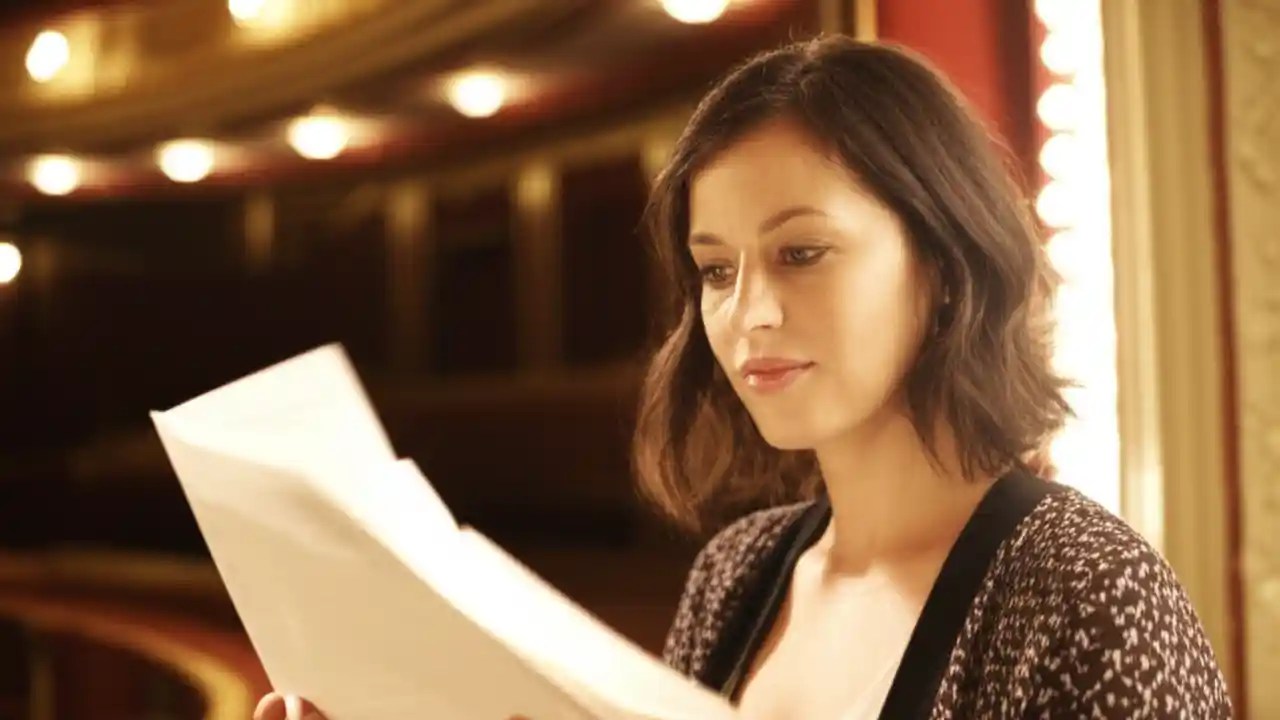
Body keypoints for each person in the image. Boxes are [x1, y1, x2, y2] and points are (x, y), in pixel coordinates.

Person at [255, 35, 1232, 720]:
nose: (746, 313)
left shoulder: (1085, 590)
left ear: (941, 264)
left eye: (800, 253)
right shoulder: (736, 574)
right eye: (716, 270)